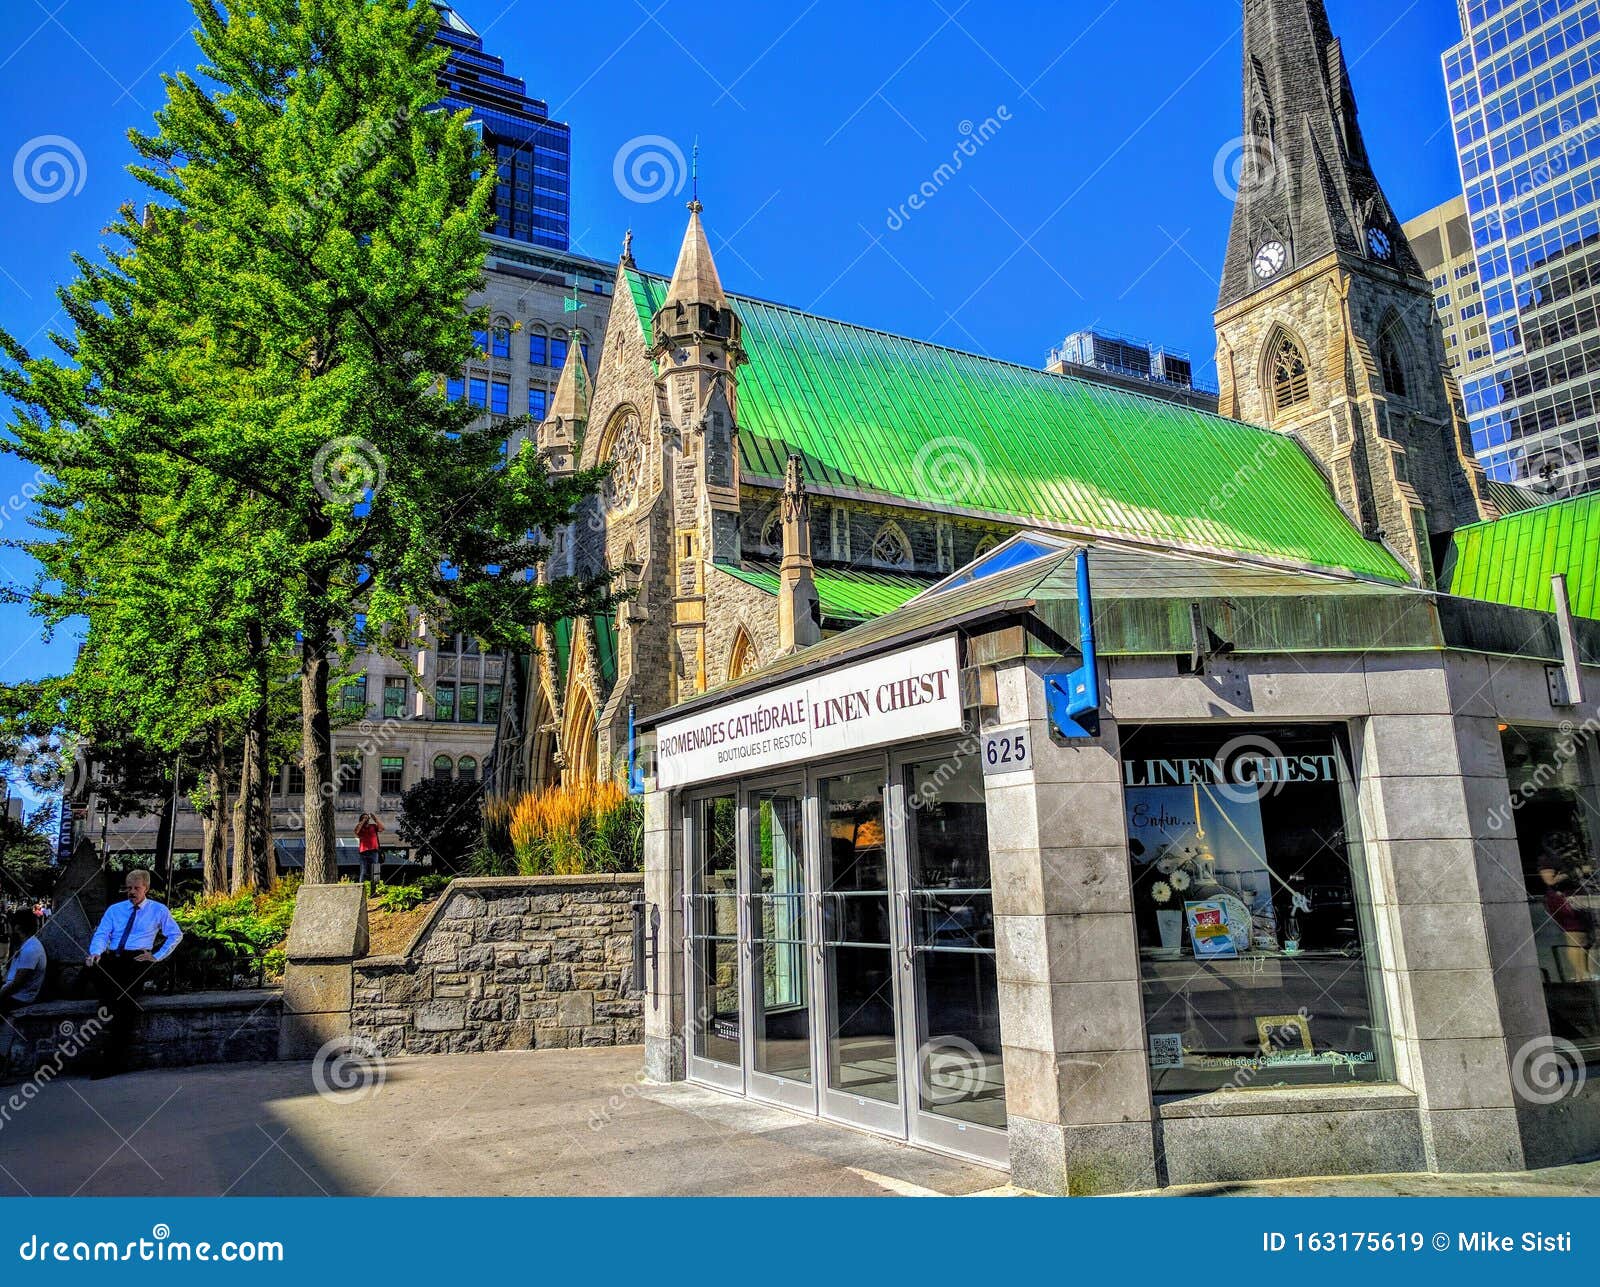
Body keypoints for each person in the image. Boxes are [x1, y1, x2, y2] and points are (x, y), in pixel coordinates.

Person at [85, 869, 183, 1079]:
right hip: (114, 956)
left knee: (122, 1004)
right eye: (128, 888)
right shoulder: (115, 910)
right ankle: (110, 1005)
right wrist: (96, 952)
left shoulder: (158, 910)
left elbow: (175, 934)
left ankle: (111, 1060)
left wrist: (157, 956)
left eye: (136, 888)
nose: (131, 892)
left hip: (138, 958)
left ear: (145, 888)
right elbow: (103, 933)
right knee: (92, 968)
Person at [0, 908, 46, 1016]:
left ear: (18, 927)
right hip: (13, 993)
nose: (8, 931)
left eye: (10, 926)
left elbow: (17, 984)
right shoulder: (25, 945)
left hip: (20, 998)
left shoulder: (31, 949)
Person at [355, 812, 384, 889]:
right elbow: (357, 831)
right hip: (363, 852)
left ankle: (374, 890)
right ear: (361, 819)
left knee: (375, 871)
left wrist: (375, 819)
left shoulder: (373, 826)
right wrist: (363, 821)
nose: (366, 819)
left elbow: (382, 828)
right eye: (364, 817)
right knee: (363, 872)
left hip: (374, 852)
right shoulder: (359, 827)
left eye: (367, 817)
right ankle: (360, 890)